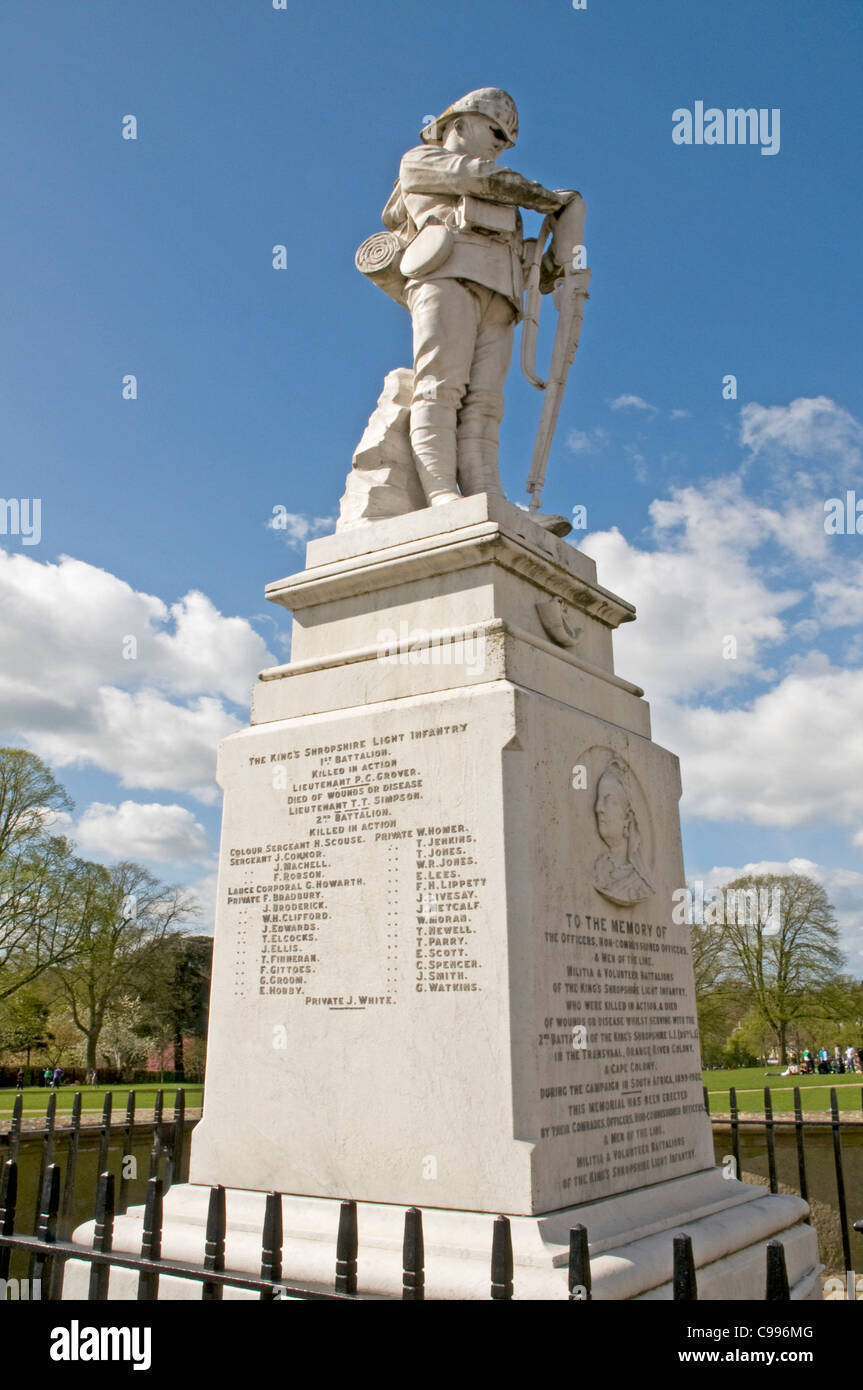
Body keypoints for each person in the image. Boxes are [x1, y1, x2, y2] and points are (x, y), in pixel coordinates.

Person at [385, 88, 574, 531]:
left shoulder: (508, 197)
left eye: (507, 140)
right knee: (440, 387)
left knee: (487, 404)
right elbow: (486, 178)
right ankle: (441, 494)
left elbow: (536, 272)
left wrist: (560, 254)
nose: (501, 144)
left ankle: (489, 497)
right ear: (458, 124)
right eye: (495, 132)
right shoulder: (422, 161)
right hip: (447, 274)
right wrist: (551, 200)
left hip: (502, 293)